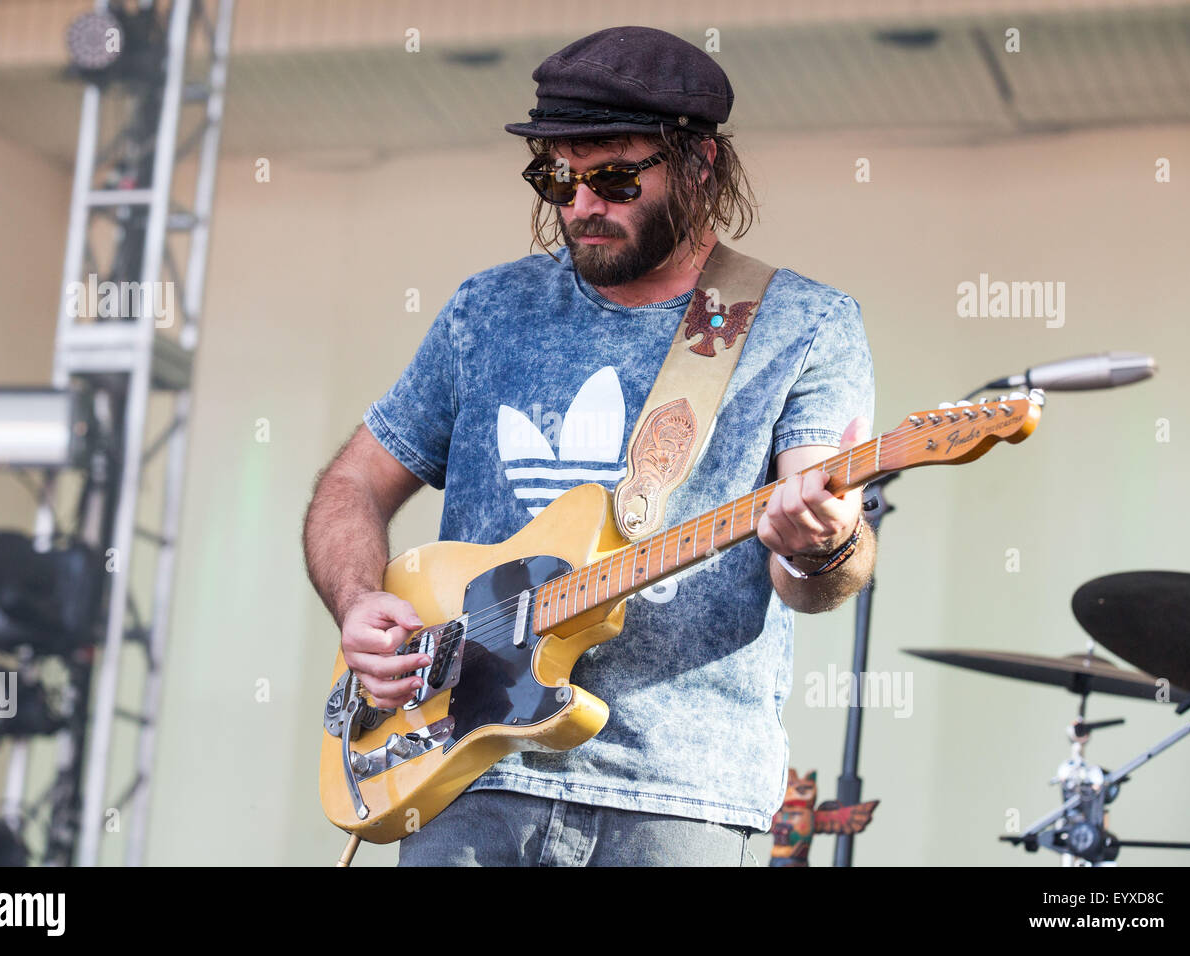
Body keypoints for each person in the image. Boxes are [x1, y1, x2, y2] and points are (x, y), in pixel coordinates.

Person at [302, 25, 876, 866]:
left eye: (612, 177)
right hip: (462, 778)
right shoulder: (487, 310)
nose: (578, 206)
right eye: (556, 177)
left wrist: (822, 545)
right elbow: (352, 484)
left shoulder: (803, 325)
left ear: (699, 164)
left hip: (676, 797)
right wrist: (357, 602)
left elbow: (816, 569)